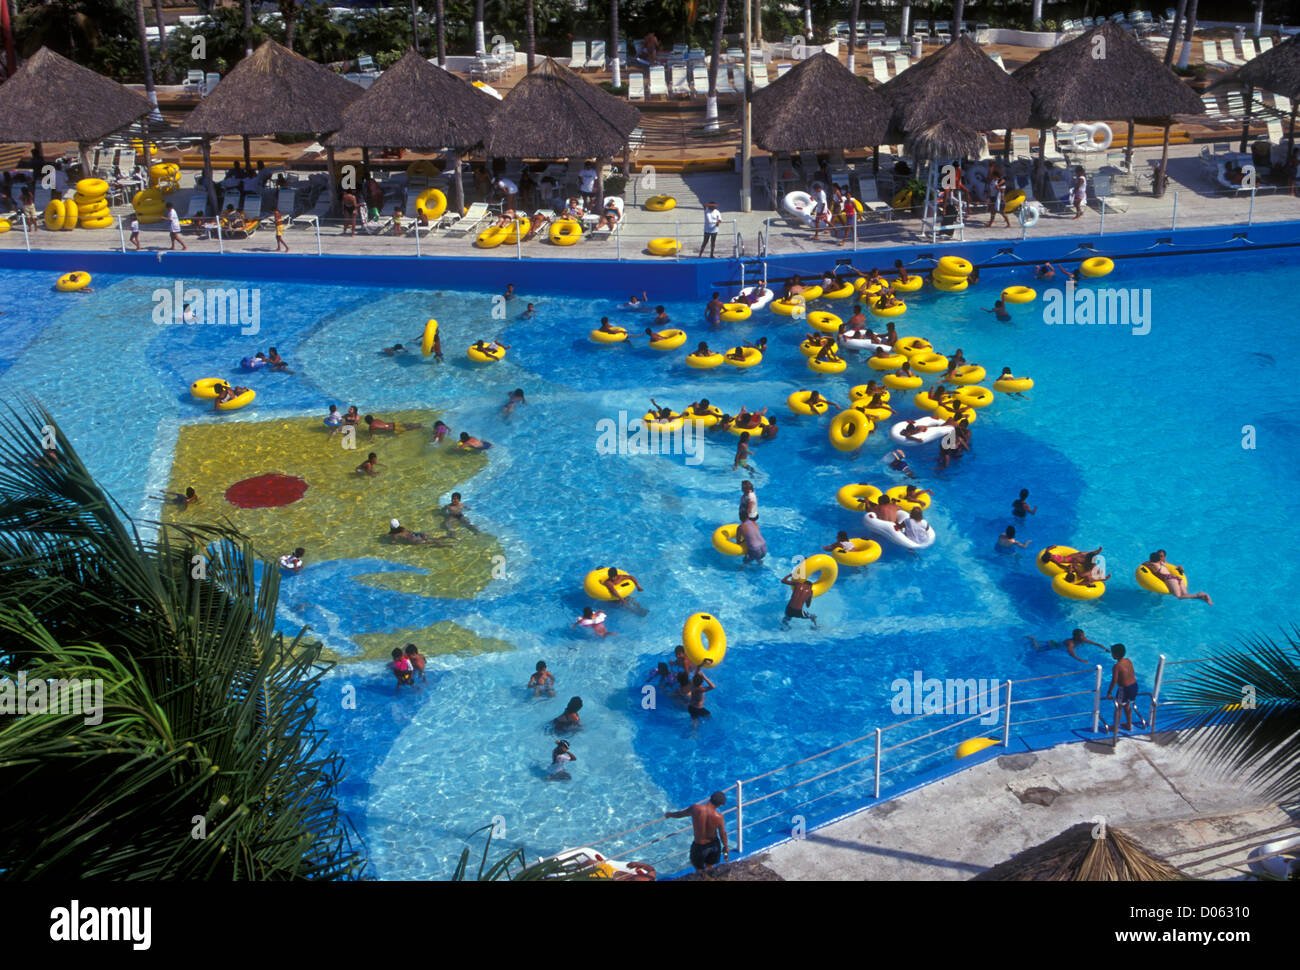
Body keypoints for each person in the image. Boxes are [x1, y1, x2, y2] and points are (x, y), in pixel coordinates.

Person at [664, 793, 730, 873]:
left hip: (699, 846)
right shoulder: (719, 817)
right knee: (710, 866)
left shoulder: (695, 808)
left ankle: (702, 877)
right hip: (714, 845)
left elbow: (680, 814)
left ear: (710, 798)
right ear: (720, 804)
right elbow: (723, 834)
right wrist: (725, 846)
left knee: (698, 868)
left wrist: (669, 814)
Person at [1143, 550, 1212, 603]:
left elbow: (1143, 565)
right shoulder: (1163, 563)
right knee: (1185, 595)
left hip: (1169, 579)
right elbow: (1172, 568)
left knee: (1179, 596)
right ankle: (1202, 598)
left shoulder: (1152, 564)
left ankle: (1199, 595)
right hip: (1178, 578)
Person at [1103, 644, 1138, 730]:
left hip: (1125, 689)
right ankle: (1129, 725)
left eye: (1112, 653)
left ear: (1116, 655)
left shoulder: (1117, 666)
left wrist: (1109, 692)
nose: (1111, 655)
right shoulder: (1129, 661)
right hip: (1134, 686)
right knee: (1127, 705)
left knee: (1118, 707)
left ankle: (1115, 727)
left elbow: (1114, 681)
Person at [1026, 628, 1104, 663]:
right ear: (1075, 637)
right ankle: (1032, 639)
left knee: (1042, 643)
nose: (1083, 637)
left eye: (1083, 635)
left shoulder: (1083, 639)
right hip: (1054, 645)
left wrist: (1105, 649)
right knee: (1037, 650)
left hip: (1057, 642)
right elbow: (1071, 653)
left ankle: (1035, 639)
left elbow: (1095, 643)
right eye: (1081, 636)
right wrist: (1080, 659)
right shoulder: (1070, 643)